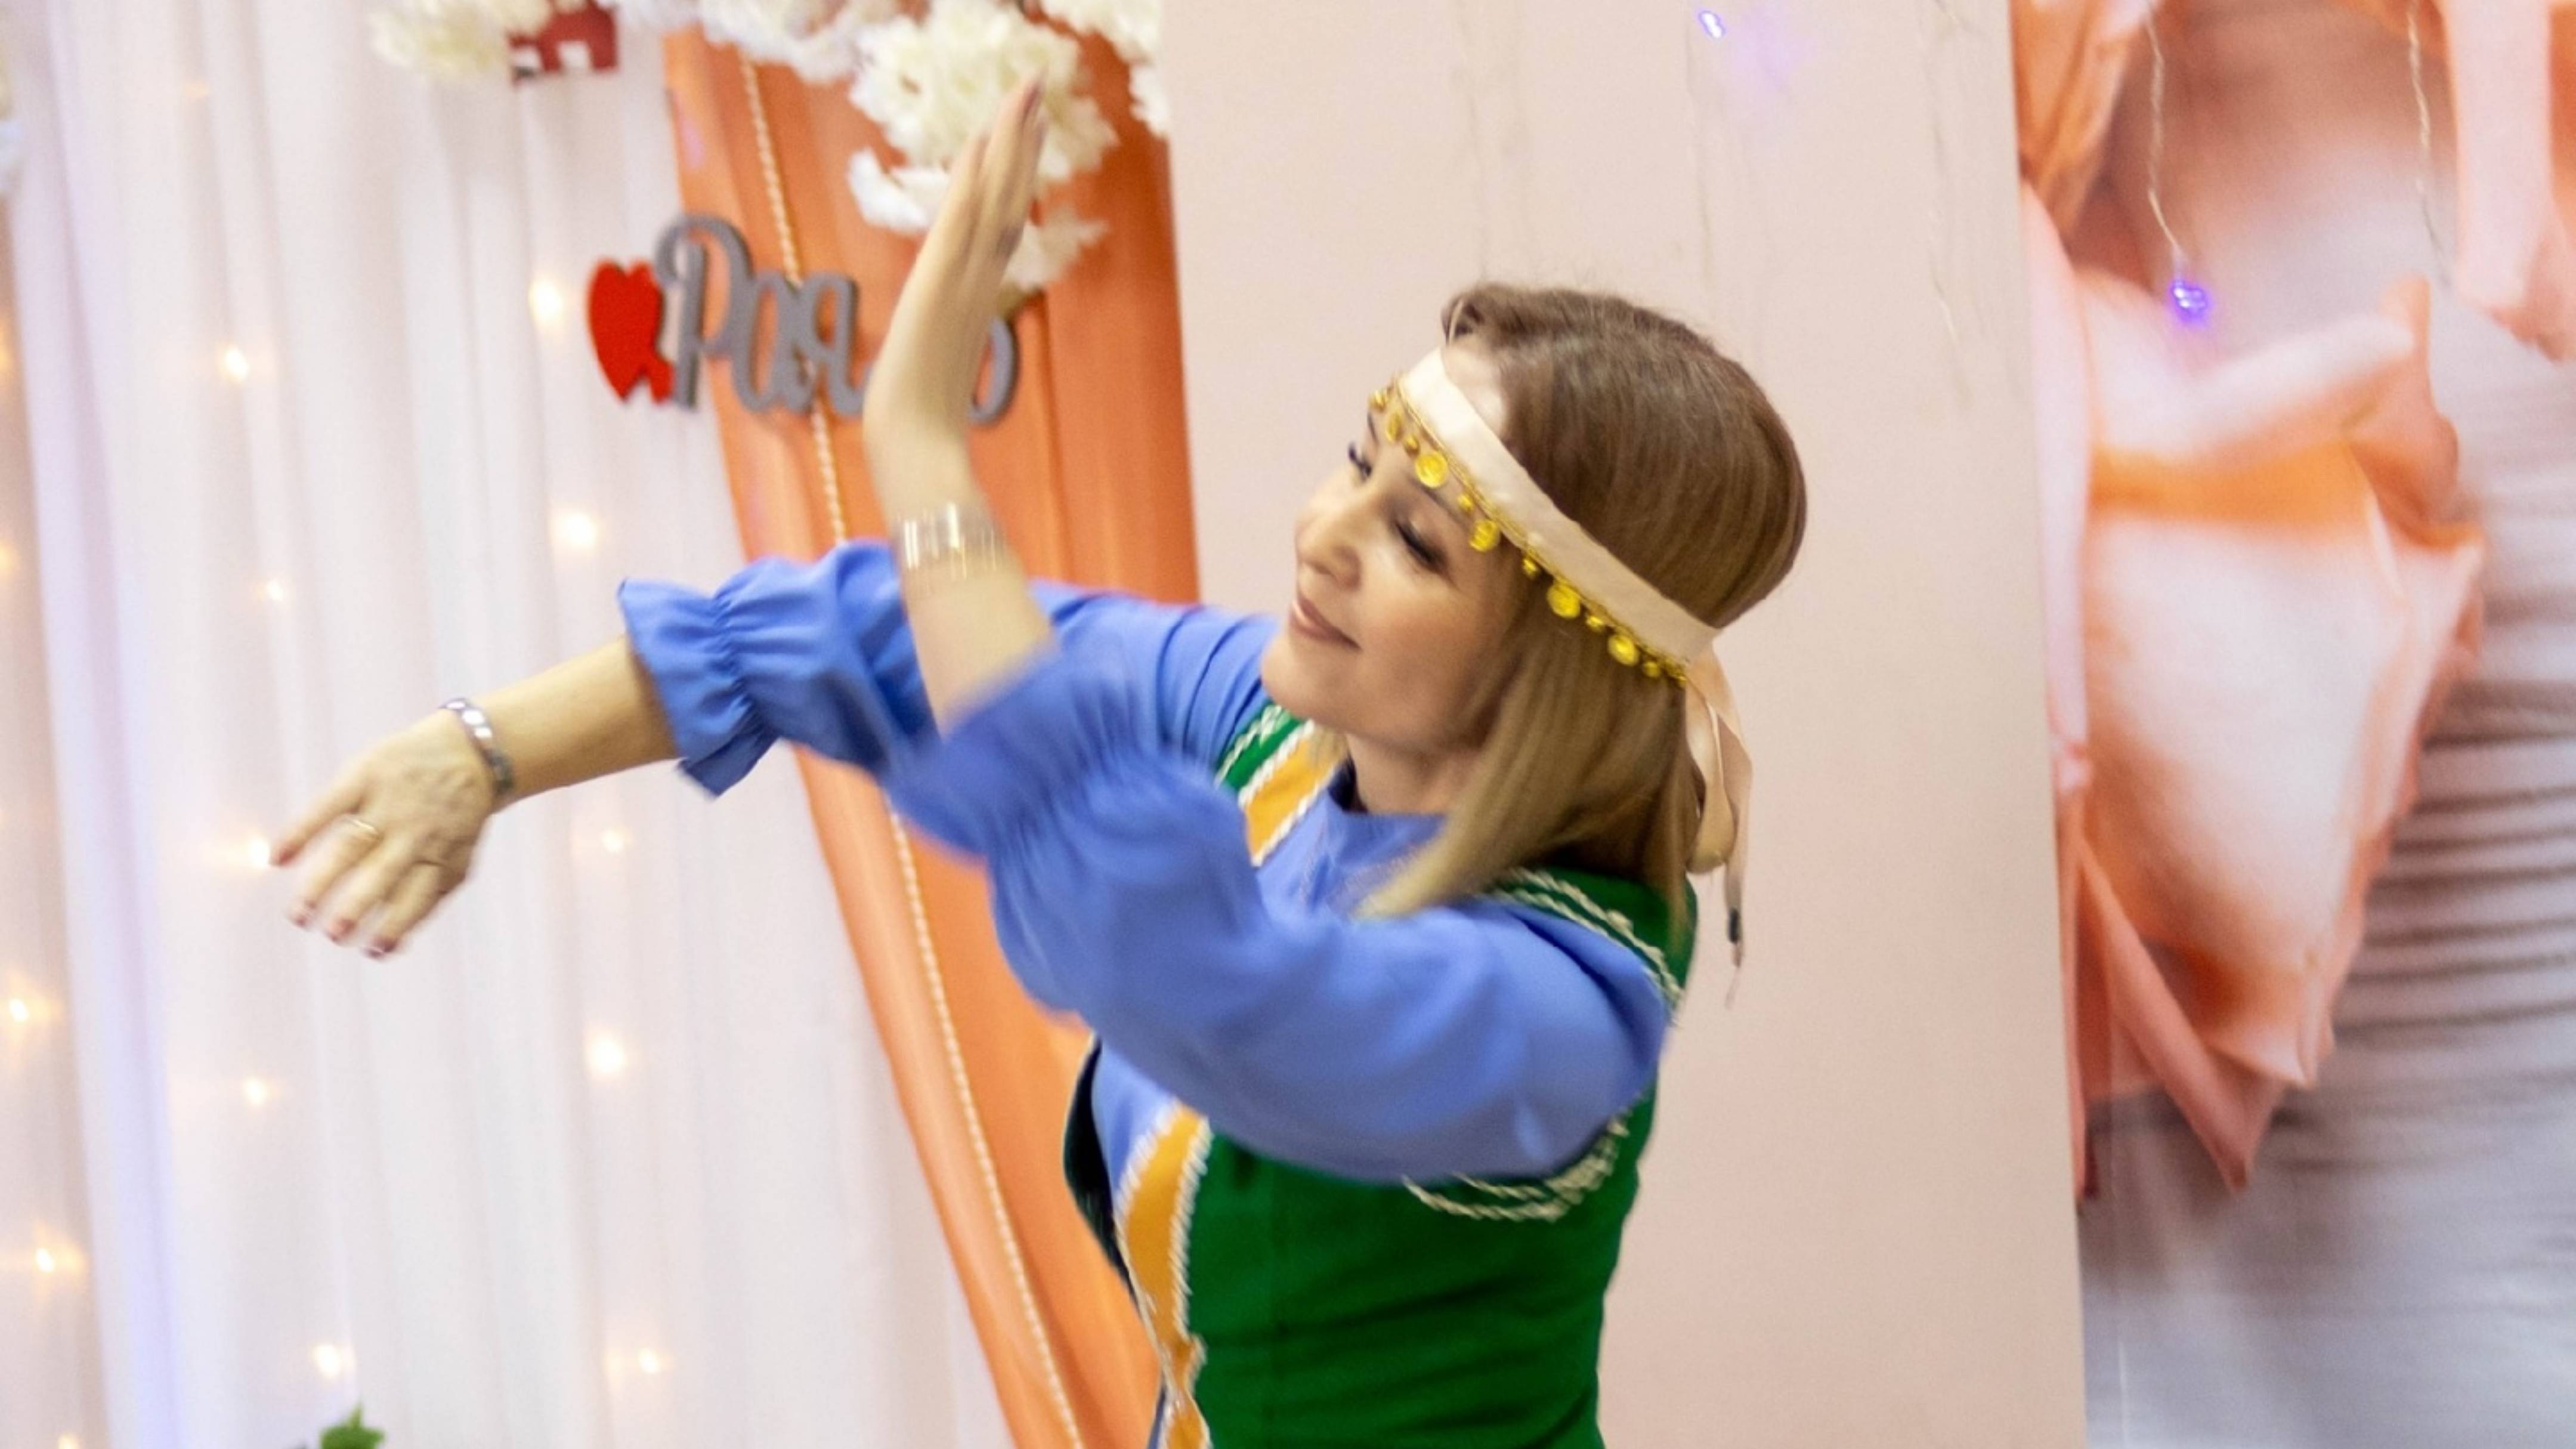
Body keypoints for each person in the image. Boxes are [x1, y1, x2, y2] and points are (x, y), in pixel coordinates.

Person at [274, 79, 1805, 1449]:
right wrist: (479, 752)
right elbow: (879, 634)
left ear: (1549, 664)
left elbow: (1201, 975)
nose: (1322, 536)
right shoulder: (1281, 734)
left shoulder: (1556, 1008)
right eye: (1357, 461)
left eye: (1414, 540)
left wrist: (923, 447)